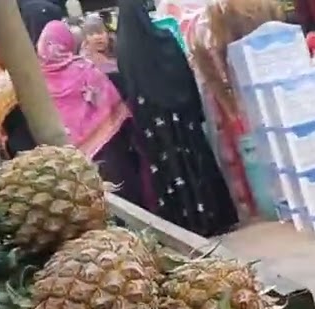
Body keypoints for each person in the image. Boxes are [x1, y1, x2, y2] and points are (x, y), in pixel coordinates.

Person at [115, 0, 238, 236]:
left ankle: (185, 224)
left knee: (169, 170)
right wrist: (192, 106)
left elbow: (129, 88)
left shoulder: (123, 49)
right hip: (181, 119)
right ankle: (213, 216)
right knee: (194, 163)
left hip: (154, 125)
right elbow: (183, 75)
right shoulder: (164, 40)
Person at [35, 20, 144, 206]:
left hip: (73, 161)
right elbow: (112, 103)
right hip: (109, 149)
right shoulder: (85, 69)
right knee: (125, 195)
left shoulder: (38, 83)